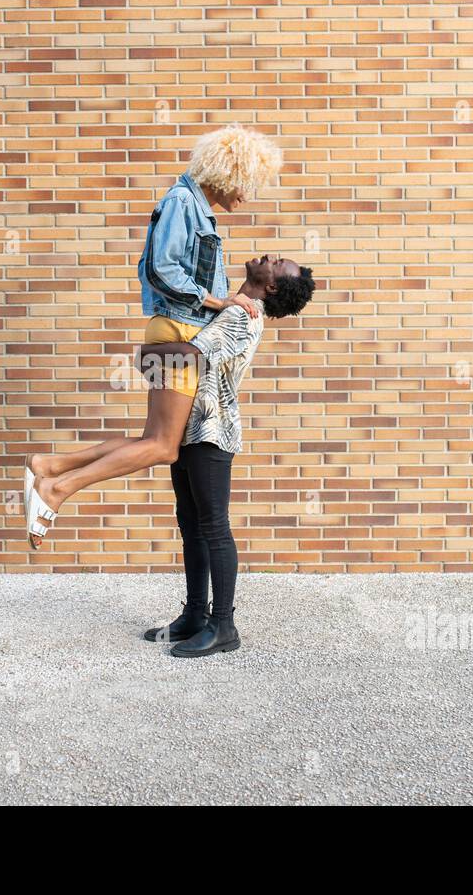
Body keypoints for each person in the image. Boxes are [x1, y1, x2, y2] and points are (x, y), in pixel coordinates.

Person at [24, 124, 283, 549]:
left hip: (179, 331)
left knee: (154, 441)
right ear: (228, 172)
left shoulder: (198, 207)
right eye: (248, 184)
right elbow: (160, 268)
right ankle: (56, 488)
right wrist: (216, 301)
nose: (248, 195)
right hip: (179, 330)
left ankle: (50, 465)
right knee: (163, 447)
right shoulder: (183, 201)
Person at [140, 254, 316, 657]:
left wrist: (144, 355)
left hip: (211, 431)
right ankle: (195, 615)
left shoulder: (243, 318)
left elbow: (190, 354)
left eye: (278, 264)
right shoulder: (229, 306)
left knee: (213, 526)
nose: (269, 257)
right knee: (191, 522)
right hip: (189, 428)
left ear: (271, 287)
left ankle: (224, 626)